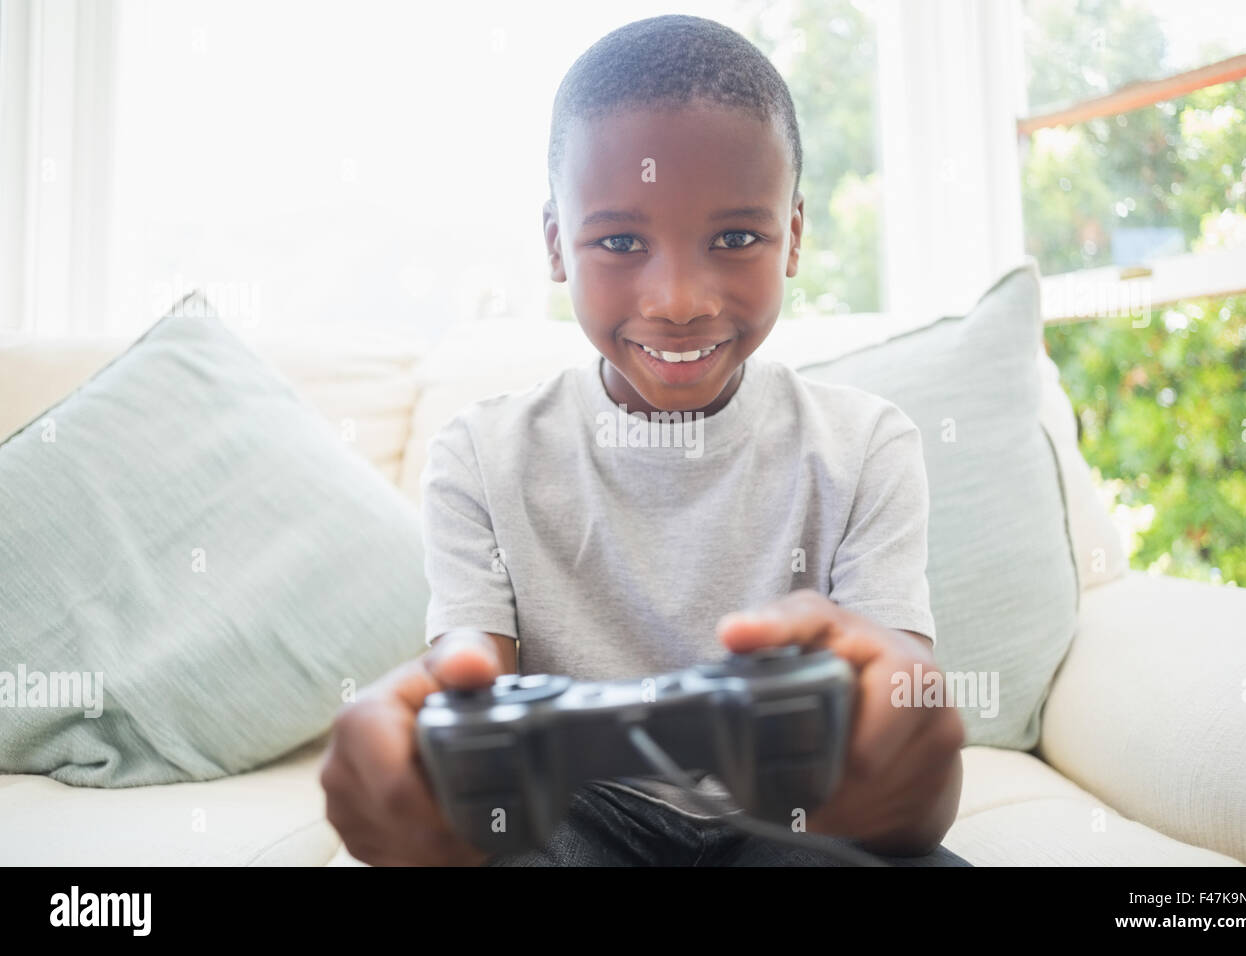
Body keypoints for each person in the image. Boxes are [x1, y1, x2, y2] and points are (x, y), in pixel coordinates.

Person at [320, 13, 970, 867]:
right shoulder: (478, 455)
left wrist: (907, 757)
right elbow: (469, 682)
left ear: (796, 237)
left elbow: (912, 789)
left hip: (791, 819)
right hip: (575, 820)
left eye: (736, 238)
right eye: (621, 241)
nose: (677, 299)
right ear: (558, 244)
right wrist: (431, 768)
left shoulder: (866, 445)